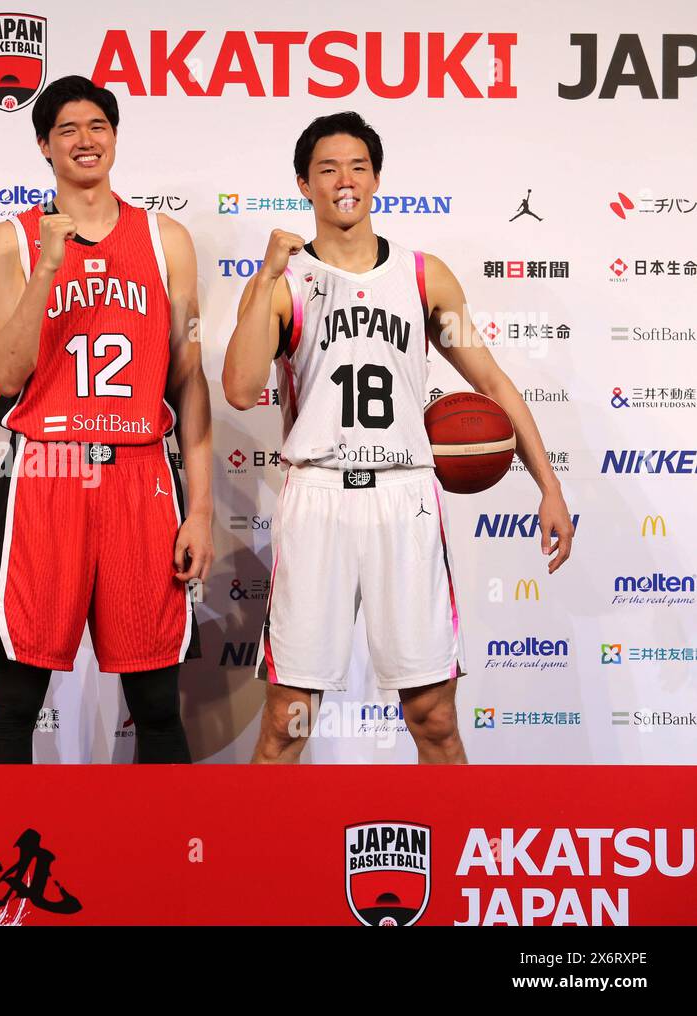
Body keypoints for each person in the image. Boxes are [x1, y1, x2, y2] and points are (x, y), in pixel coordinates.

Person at [222, 112, 575, 765]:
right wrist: (265, 276)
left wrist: (548, 485)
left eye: (357, 166)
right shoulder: (286, 281)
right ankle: (258, 864)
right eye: (327, 169)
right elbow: (241, 388)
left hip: (404, 500)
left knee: (434, 717)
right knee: (287, 721)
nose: (344, 180)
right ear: (304, 184)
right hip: (319, 499)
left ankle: (455, 859)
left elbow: (492, 381)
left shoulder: (423, 276)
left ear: (377, 177)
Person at [0, 75, 213, 764]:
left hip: (141, 471)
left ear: (114, 137)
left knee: (157, 701)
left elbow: (188, 379)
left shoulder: (165, 237)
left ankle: (166, 864)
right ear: (44, 145)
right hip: (47, 466)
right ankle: (6, 864)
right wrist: (51, 264)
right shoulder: (12, 241)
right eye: (68, 130)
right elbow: (2, 373)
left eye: (98, 126)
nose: (86, 140)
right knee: (18, 695)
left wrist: (198, 510)